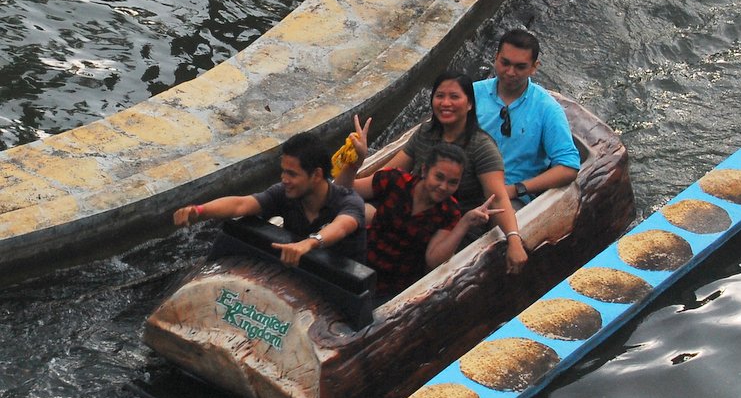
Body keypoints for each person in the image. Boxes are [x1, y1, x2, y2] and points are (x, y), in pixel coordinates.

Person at [348, 71, 528, 274]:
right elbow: (385, 175)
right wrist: (353, 163)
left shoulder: (482, 147)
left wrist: (514, 240)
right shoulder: (426, 133)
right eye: (440, 96)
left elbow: (498, 199)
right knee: (358, 212)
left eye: (454, 97)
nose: (446, 103)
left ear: (469, 104)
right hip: (416, 209)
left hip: (455, 225)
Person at [336, 132, 503, 296]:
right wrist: (355, 163)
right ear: (424, 171)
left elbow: (433, 259)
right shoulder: (395, 180)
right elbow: (342, 191)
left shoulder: (449, 211)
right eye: (439, 177)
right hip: (358, 261)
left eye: (452, 182)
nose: (443, 187)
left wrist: (465, 223)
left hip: (394, 284)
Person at [173, 131, 366, 266]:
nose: (284, 179)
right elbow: (241, 204)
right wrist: (200, 211)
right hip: (300, 273)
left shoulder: (349, 202)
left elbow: (341, 226)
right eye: (284, 172)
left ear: (316, 175)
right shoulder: (284, 194)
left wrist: (309, 243)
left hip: (343, 284)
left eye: (292, 174)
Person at [474, 29, 581, 207]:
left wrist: (516, 189)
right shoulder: (472, 94)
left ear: (534, 67)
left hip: (510, 197)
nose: (510, 72)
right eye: (505, 63)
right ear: (496, 58)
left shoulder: (547, 109)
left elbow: (568, 167)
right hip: (464, 184)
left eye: (520, 67)